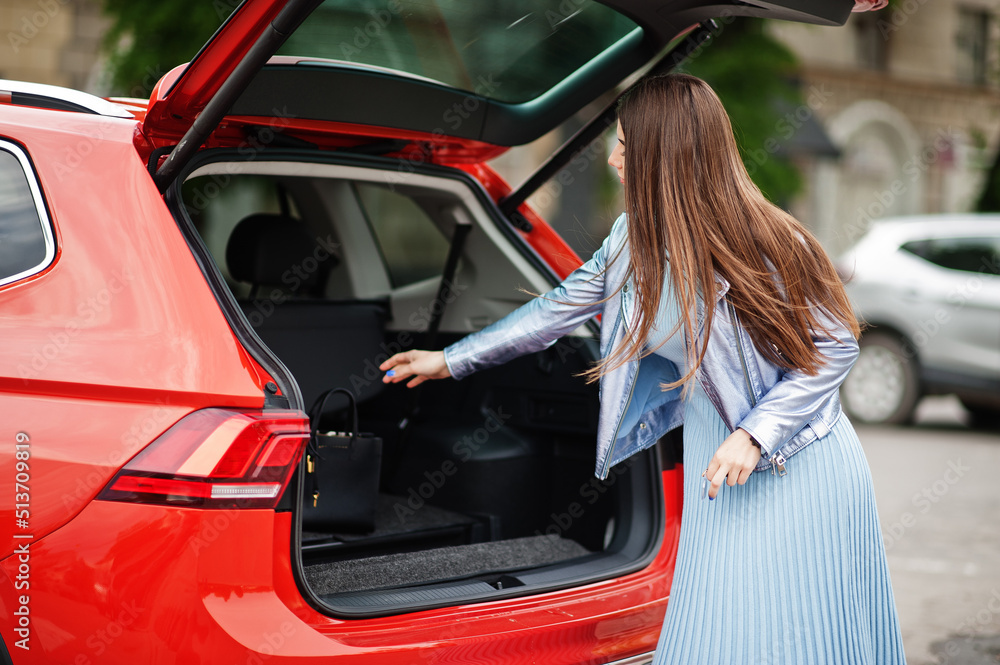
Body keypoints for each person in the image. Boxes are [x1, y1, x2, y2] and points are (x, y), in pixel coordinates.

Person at [380, 74, 905, 665]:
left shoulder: (773, 240)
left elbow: (835, 347)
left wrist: (755, 434)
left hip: (797, 462)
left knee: (788, 635)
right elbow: (554, 311)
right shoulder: (632, 239)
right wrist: (450, 359)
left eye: (626, 147)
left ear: (665, 156)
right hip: (720, 464)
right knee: (717, 629)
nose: (613, 159)